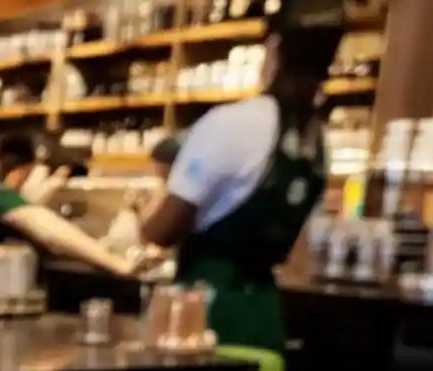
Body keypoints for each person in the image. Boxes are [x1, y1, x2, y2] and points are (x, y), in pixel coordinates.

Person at [124, 0, 345, 351]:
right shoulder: (316, 143)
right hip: (265, 319)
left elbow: (160, 232)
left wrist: (140, 211)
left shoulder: (233, 124)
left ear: (273, 47)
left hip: (205, 318)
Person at [0, 134, 157, 277]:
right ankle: (120, 265)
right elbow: (49, 227)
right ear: (26, 169)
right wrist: (118, 264)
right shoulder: (3, 198)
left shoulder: (1, 200)